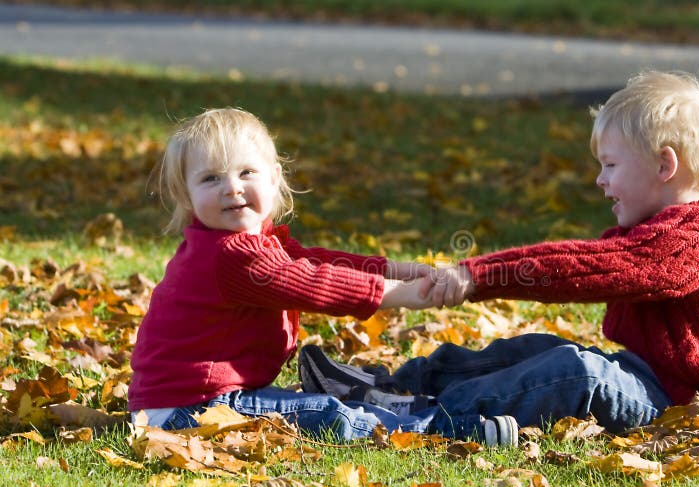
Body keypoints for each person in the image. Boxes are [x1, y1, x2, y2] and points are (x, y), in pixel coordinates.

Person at [299, 70, 699, 433]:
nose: (600, 180)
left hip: (698, 411)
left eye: (610, 165)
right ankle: (397, 384)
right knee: (538, 350)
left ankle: (423, 416)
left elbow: (582, 269)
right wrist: (474, 273)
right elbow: (579, 260)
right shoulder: (661, 231)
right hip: (659, 382)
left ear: (665, 165)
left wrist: (479, 276)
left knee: (578, 373)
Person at [128, 108, 518, 445]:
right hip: (187, 411)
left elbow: (319, 262)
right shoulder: (228, 256)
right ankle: (445, 430)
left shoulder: (248, 242)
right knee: (329, 415)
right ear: (186, 196)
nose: (232, 188)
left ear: (274, 178)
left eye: (246, 171)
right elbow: (314, 284)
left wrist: (400, 270)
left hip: (211, 397)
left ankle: (395, 401)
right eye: (210, 179)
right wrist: (402, 293)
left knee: (313, 410)